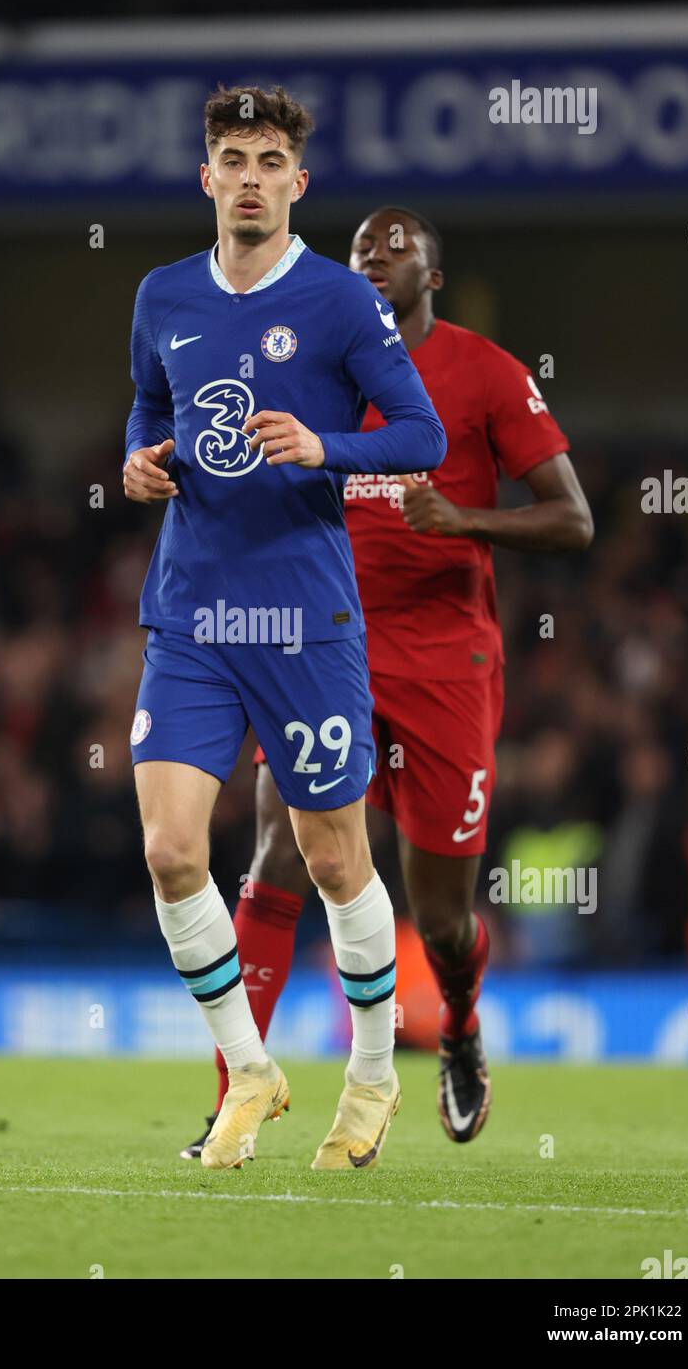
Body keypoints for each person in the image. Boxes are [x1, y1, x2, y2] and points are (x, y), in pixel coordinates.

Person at [182, 204, 593, 1159]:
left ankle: (456, 1025)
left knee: (441, 912)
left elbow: (573, 520)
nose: (374, 258)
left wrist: (464, 522)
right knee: (279, 853)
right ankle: (235, 1092)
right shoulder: (310, 367)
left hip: (448, 658)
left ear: (431, 280)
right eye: (361, 248)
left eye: (396, 249)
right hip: (323, 643)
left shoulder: (484, 374)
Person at [124, 90, 446, 1171]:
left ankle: (370, 1073)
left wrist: (323, 446)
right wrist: (139, 457)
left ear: (297, 183)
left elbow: (421, 435)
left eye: (270, 159)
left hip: (305, 617)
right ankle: (249, 1068)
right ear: (205, 177)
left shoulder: (341, 305)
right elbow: (147, 406)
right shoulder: (161, 293)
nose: (251, 175)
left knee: (331, 855)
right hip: (192, 615)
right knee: (170, 849)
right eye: (231, 157)